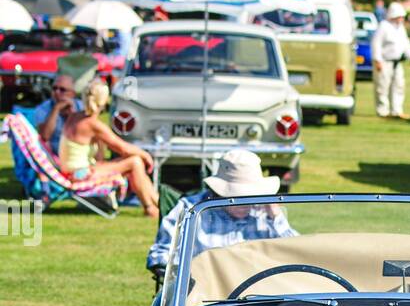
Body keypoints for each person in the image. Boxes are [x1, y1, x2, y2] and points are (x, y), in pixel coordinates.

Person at [147, 148, 297, 276]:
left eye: (253, 196)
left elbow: (296, 253)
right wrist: (186, 277)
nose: (247, 203)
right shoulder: (191, 209)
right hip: (202, 295)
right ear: (219, 192)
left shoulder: (264, 212)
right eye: (239, 197)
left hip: (256, 295)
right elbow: (160, 254)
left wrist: (276, 215)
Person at [59, 79, 159, 218]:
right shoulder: (93, 124)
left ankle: (157, 203)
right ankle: (151, 207)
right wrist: (145, 155)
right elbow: (123, 148)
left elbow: (99, 156)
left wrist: (98, 142)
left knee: (133, 162)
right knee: (134, 162)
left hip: (73, 172)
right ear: (104, 100)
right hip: (80, 175)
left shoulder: (75, 117)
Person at [371, 2, 410, 119]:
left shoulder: (400, 28)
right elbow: (376, 44)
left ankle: (396, 111)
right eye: (400, 16)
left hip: (397, 62)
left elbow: (406, 44)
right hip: (384, 62)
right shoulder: (383, 26)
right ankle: (383, 111)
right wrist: (378, 60)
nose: (402, 19)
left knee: (398, 86)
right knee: (382, 87)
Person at [34, 74, 82, 155]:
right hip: (52, 157)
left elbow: (86, 134)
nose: (57, 92)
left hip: (76, 154)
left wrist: (72, 116)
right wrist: (56, 109)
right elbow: (45, 136)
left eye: (62, 90)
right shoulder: (43, 109)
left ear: (72, 94)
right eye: (54, 88)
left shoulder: (81, 107)